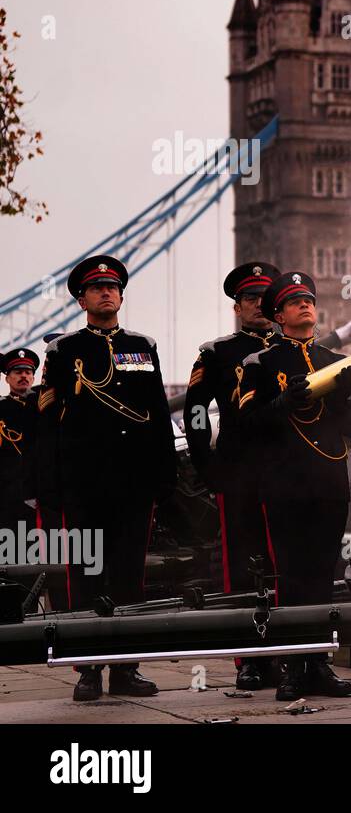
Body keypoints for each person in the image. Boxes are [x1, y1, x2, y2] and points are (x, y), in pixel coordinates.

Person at [37, 256, 176, 702]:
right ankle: (88, 669)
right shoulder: (63, 352)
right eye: (96, 288)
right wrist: (53, 485)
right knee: (86, 574)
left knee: (129, 577)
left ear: (121, 295)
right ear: (82, 299)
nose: (106, 293)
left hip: (133, 484)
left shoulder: (143, 345)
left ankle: (126, 668)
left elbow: (157, 418)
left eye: (112, 287)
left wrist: (164, 479)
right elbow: (48, 423)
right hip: (84, 483)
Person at [237, 271, 351, 701]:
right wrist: (281, 403)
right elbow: (247, 424)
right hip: (286, 484)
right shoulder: (260, 363)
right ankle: (292, 666)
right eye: (294, 302)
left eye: (309, 299)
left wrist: (347, 396)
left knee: (324, 577)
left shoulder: (332, 359)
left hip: (329, 481)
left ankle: (320, 664)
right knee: (291, 578)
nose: (305, 305)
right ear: (278, 316)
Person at [183, 261, 281, 690]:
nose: (258, 304)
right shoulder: (217, 352)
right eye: (250, 298)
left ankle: (289, 651)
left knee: (285, 561)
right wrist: (208, 467)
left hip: (288, 470)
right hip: (239, 471)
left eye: (264, 297)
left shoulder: (294, 346)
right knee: (241, 564)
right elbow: (196, 412)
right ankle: (249, 657)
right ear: (237, 307)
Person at [0, 349, 41, 533]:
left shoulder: (45, 408)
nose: (23, 376)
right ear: (7, 378)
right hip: (6, 495)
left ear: (33, 377)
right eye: (17, 372)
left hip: (39, 494)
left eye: (28, 372)